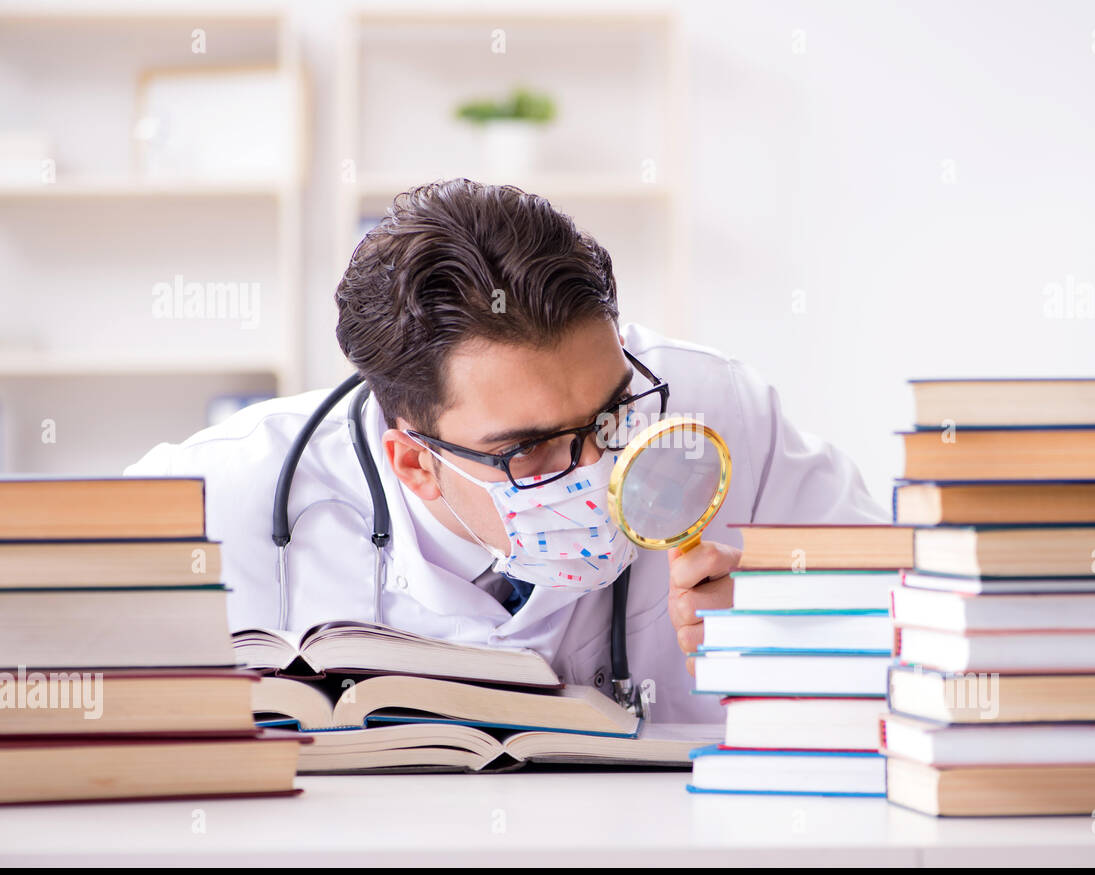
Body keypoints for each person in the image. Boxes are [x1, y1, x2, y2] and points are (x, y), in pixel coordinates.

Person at [124, 179, 889, 722]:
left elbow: (928, 632)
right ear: (415, 463)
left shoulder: (714, 417)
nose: (595, 469)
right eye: (530, 450)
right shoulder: (215, 497)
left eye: (612, 414)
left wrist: (810, 633)